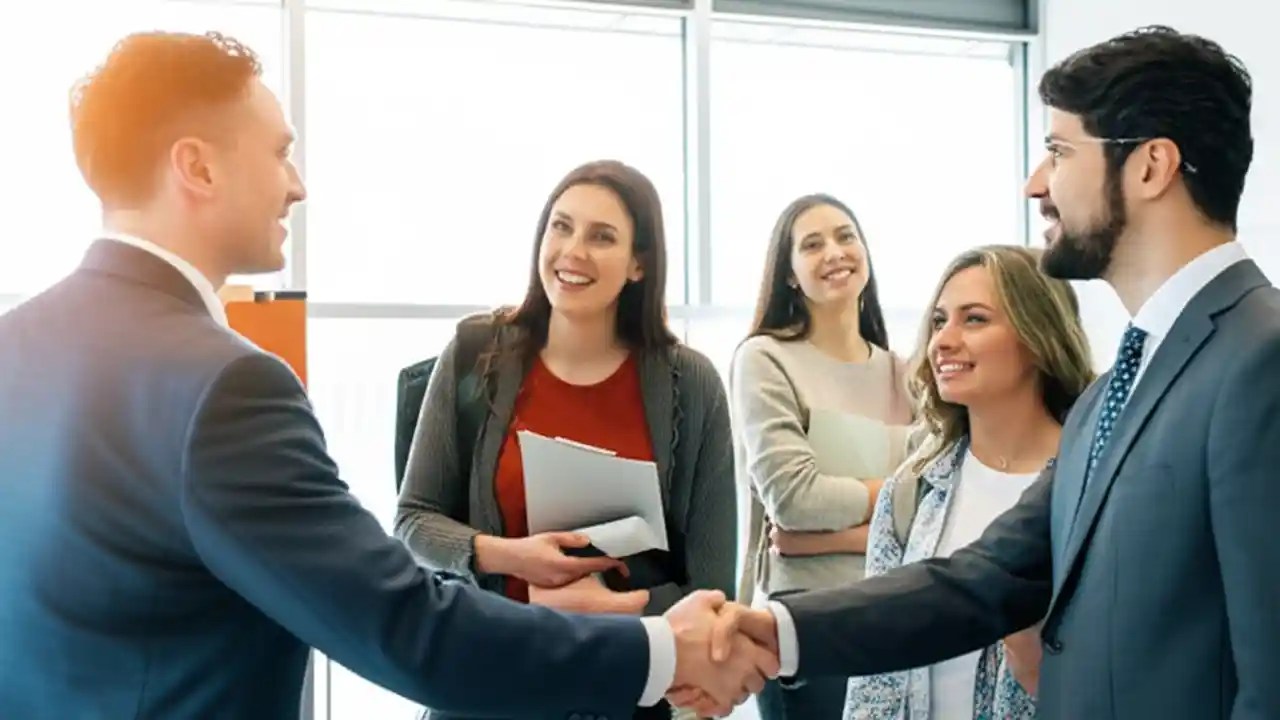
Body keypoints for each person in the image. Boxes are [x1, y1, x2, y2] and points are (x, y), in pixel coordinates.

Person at [0, 31, 775, 720]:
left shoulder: (13, 345)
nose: (296, 185)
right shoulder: (229, 387)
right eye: (278, 152)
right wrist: (660, 652)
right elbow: (407, 629)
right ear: (197, 167)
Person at [679, 26, 1280, 720]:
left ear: (1150, 167)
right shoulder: (1115, 392)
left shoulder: (1258, 361)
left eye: (1059, 152)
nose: (1036, 185)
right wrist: (776, 632)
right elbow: (984, 580)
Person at [396, 159, 738, 719]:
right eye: (561, 226)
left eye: (602, 237)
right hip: (488, 679)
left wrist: (617, 608)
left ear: (638, 265)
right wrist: (510, 558)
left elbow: (714, 588)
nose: (573, 250)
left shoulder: (692, 385)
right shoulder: (474, 350)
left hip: (623, 684)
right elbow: (413, 519)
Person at [782, 245, 1090, 719]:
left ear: (1037, 336)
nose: (942, 340)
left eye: (974, 319)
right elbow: (876, 678)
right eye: (940, 320)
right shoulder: (913, 490)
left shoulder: (1094, 486)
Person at [729, 193, 912, 720]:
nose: (834, 251)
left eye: (845, 235)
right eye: (812, 244)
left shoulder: (909, 373)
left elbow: (932, 504)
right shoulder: (765, 359)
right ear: (789, 274)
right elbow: (795, 501)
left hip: (902, 616)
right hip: (809, 631)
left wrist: (831, 538)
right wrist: (888, 494)